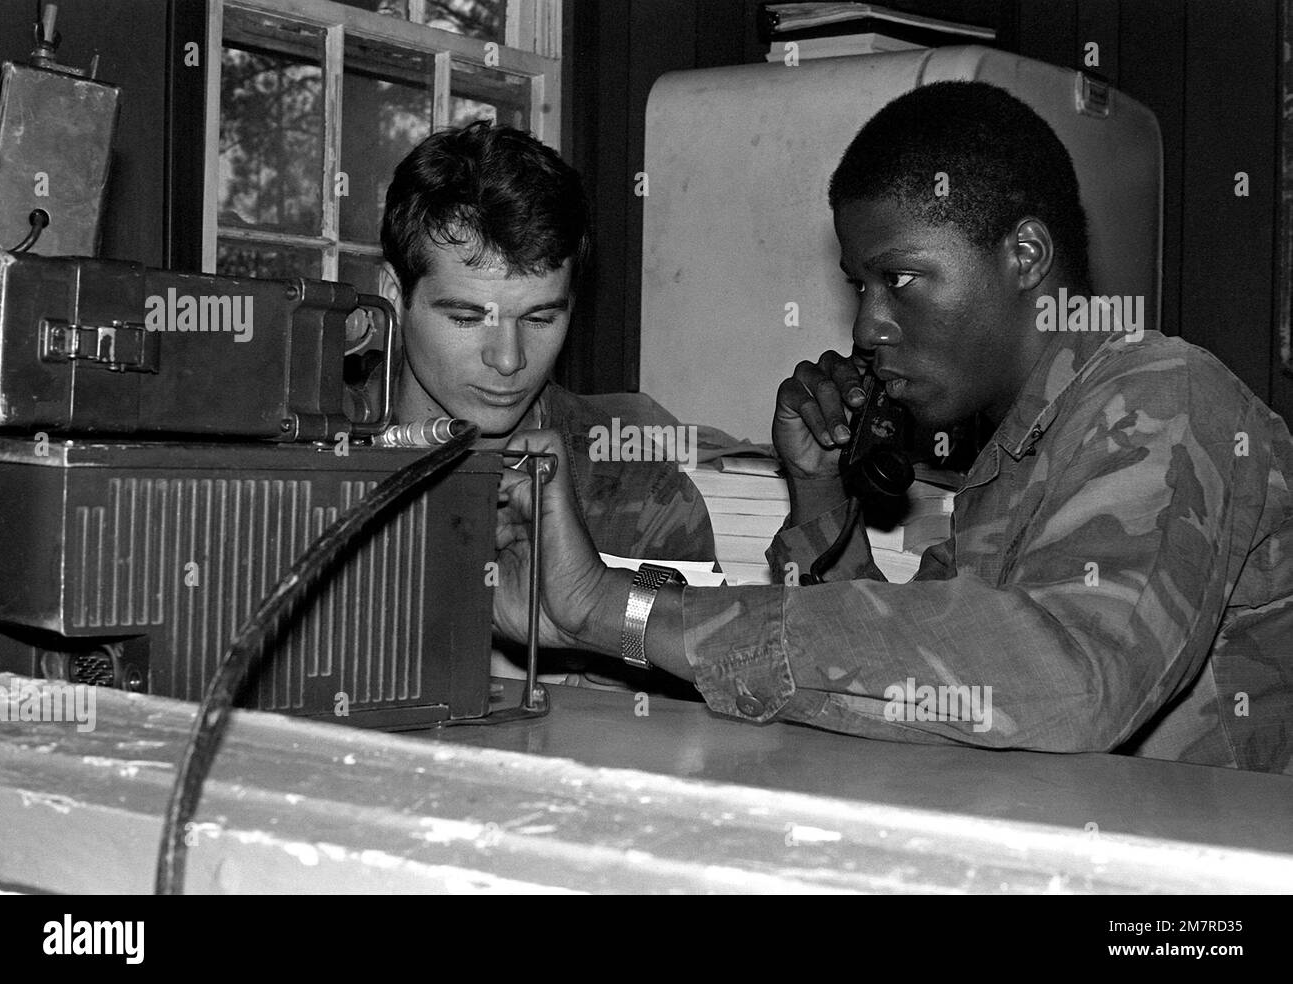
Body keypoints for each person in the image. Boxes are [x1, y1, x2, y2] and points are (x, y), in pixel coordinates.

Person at [493, 81, 1293, 773]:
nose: (869, 325)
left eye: (899, 278)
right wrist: (820, 495)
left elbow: (1068, 681)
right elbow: (921, 687)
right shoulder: (1015, 454)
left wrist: (611, 608)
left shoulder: (1163, 394)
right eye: (860, 286)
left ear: (1025, 254)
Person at [379, 121, 716, 689]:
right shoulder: (301, 453)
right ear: (395, 295)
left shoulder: (637, 484)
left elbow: (704, 677)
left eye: (540, 318)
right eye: (466, 318)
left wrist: (594, 616)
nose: (509, 360)